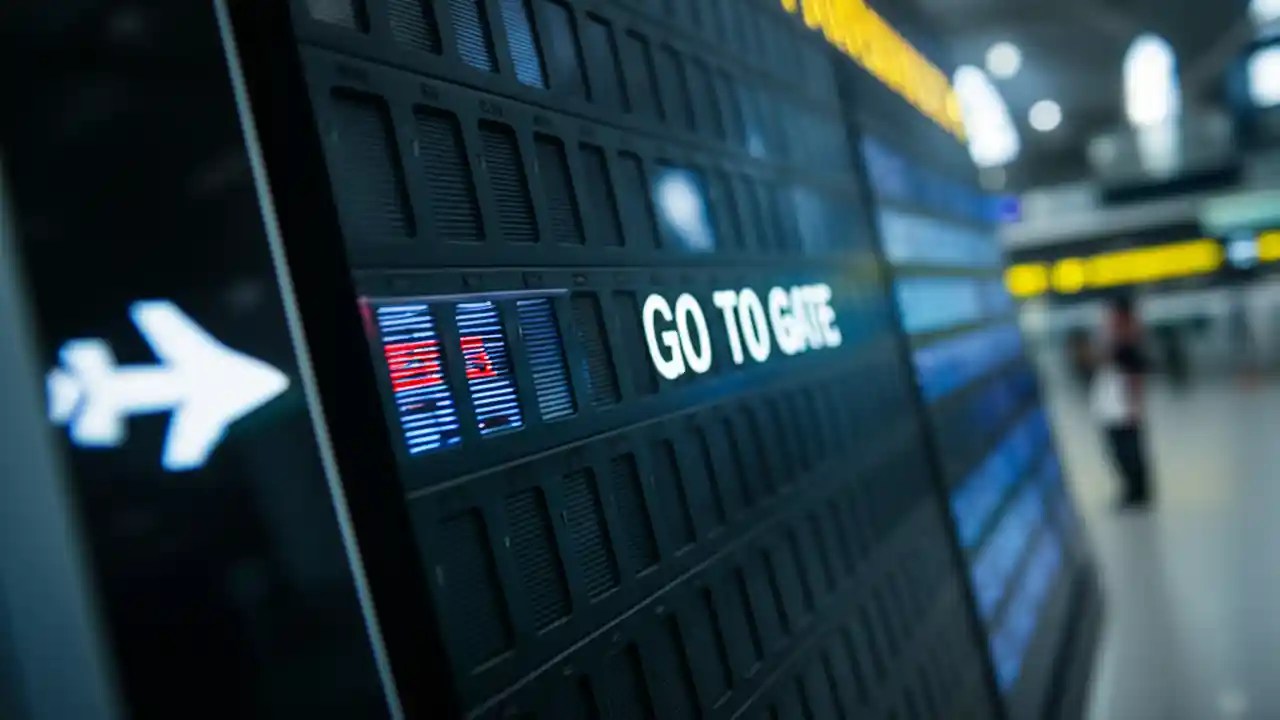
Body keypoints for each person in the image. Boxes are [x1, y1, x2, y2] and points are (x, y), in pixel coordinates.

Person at [1090, 296, 1152, 508]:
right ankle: (1133, 490)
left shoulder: (1129, 343)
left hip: (1123, 406)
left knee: (1128, 451)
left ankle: (1137, 492)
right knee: (1121, 450)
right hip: (1113, 405)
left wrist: (1133, 405)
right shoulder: (1116, 340)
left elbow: (1135, 377)